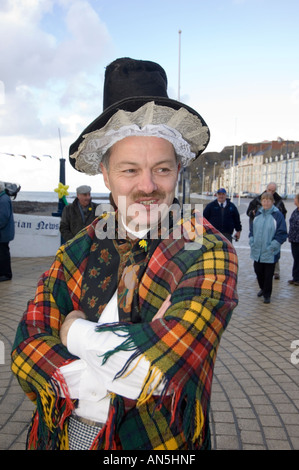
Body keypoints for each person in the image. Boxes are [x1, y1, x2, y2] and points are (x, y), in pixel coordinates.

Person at [11, 57, 238, 451]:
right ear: (105, 172)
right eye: (130, 170)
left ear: (179, 169)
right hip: (63, 437)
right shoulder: (75, 250)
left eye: (162, 170)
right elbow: (25, 349)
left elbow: (156, 370)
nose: (148, 186)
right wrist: (130, 352)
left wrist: (73, 333)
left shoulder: (208, 250)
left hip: (156, 444)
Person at [249, 192, 287, 304]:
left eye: (268, 200)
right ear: (261, 202)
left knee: (268, 274)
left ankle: (267, 294)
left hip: (270, 250)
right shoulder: (258, 213)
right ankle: (263, 288)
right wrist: (251, 239)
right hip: (257, 249)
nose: (266, 202)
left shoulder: (277, 215)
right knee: (258, 270)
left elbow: (282, 232)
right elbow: (252, 229)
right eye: (264, 200)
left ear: (272, 202)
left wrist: (274, 245)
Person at [247, 182, 287, 279]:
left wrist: (277, 221)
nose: (271, 192)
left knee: (274, 251)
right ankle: (260, 273)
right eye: (270, 190)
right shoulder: (257, 199)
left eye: (273, 191)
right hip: (258, 230)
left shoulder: (279, 201)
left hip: (272, 230)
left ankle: (275, 271)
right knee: (259, 253)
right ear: (266, 189)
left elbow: (283, 214)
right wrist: (252, 213)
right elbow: (249, 211)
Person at [0, 181, 15, 282]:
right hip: (3, 232)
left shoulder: (3, 199)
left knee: (3, 254)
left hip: (3, 233)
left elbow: (3, 217)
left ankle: (6, 274)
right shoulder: (3, 197)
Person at [288, 193, 299, 286]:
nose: (294, 200)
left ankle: (297, 279)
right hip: (294, 239)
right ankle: (295, 277)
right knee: (296, 259)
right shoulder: (295, 211)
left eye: (295, 198)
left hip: (298, 239)